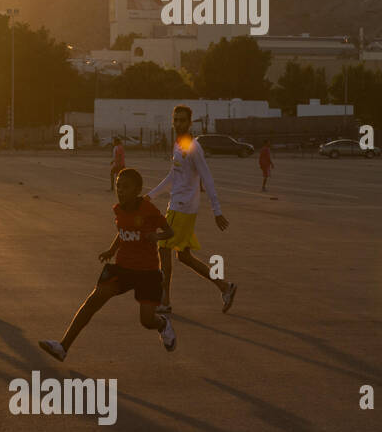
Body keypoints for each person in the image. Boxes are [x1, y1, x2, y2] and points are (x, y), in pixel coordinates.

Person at [39, 168, 177, 361]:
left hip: (147, 272)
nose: (120, 190)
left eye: (126, 187)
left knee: (146, 320)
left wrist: (157, 236)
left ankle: (162, 324)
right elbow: (123, 232)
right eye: (118, 186)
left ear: (137, 190)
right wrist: (111, 251)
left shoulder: (149, 210)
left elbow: (170, 232)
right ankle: (63, 346)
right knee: (92, 302)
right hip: (122, 268)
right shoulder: (119, 210)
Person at [147, 104, 237, 314]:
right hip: (177, 203)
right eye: (175, 120)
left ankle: (164, 300)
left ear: (189, 122)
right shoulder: (178, 144)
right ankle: (225, 287)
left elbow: (207, 177)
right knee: (184, 256)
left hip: (183, 206)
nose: (178, 123)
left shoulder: (194, 147)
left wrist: (217, 210)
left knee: (163, 247)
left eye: (182, 120)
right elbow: (173, 175)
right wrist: (151, 195)